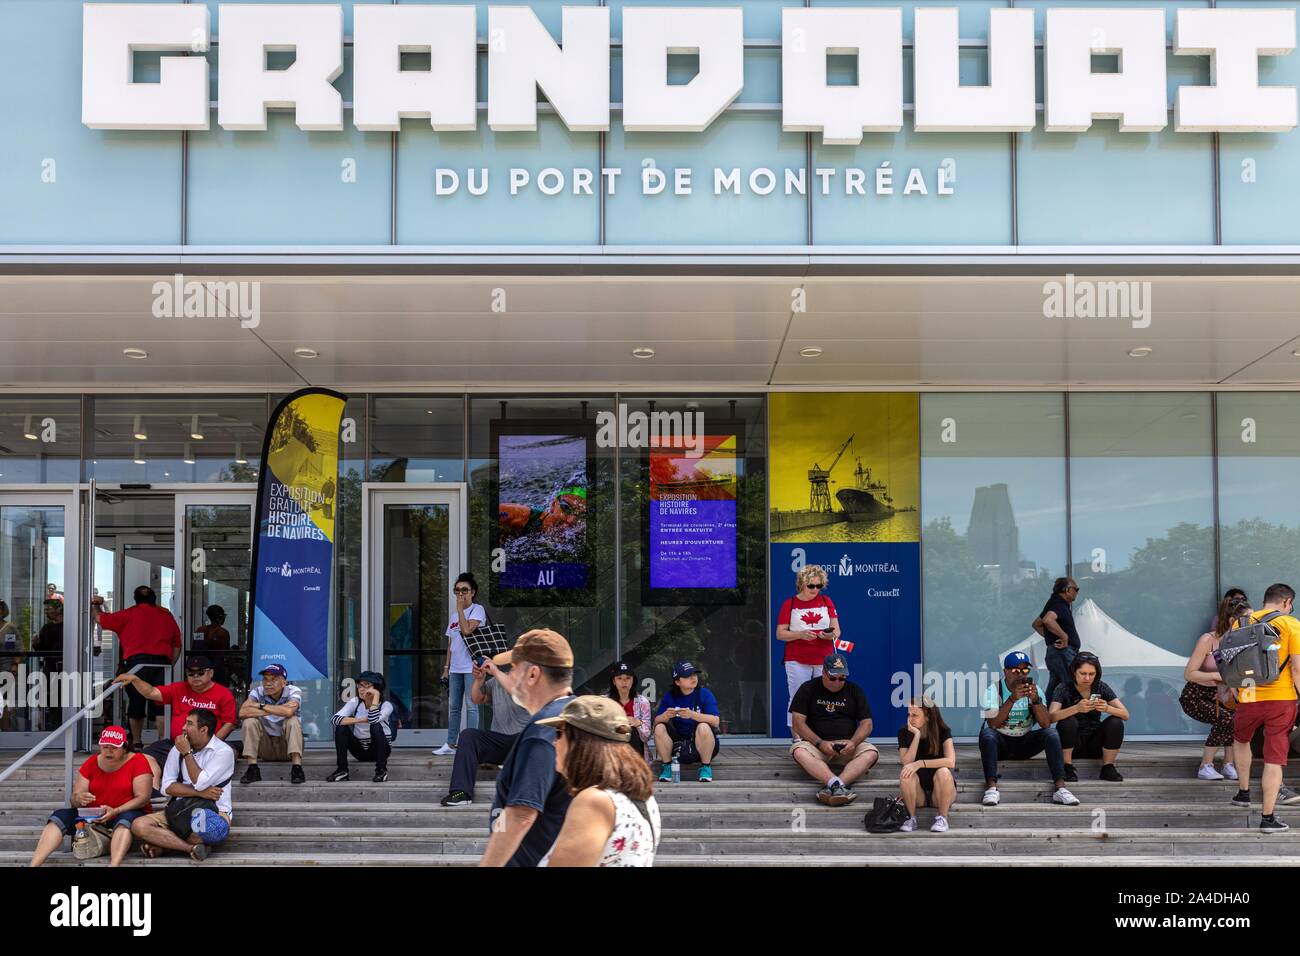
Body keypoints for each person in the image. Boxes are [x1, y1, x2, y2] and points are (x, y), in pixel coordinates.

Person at [479, 629, 576, 867]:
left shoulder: (544, 729)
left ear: (533, 674)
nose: (509, 675)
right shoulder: (576, 713)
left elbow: (522, 813)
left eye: (513, 668)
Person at [537, 695, 661, 867]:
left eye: (559, 733)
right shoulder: (643, 798)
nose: (554, 741)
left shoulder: (594, 801)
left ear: (580, 742)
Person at [1229, 583, 1300, 832]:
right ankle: (1268, 818)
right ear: (1287, 602)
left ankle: (1243, 793)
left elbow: (1232, 663)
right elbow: (1297, 668)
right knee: (1274, 758)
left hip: (1248, 695)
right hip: (1281, 698)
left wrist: (1239, 692)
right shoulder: (1292, 625)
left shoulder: (1242, 623)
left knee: (1241, 739)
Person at [30, 726, 152, 867]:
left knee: (126, 820)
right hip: (93, 815)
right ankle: (34, 865)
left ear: (124, 748)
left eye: (114, 747)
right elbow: (74, 798)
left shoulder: (138, 761)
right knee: (60, 816)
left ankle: (114, 865)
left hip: (124, 811)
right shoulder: (92, 762)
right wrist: (79, 798)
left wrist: (116, 810)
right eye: (105, 746)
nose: (109, 750)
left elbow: (143, 798)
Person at [113, 655, 237, 789]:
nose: (195, 676)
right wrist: (135, 680)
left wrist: (212, 744)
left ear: (211, 673)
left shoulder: (223, 693)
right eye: (191, 673)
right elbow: (152, 692)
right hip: (176, 743)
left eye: (200, 672)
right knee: (144, 757)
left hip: (206, 746)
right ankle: (154, 791)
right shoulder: (178, 688)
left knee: (229, 752)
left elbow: (229, 723)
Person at [132, 709, 234, 861]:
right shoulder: (177, 749)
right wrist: (199, 793)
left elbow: (200, 782)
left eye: (189, 724)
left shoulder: (223, 751)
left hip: (215, 811)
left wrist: (187, 753)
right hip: (180, 809)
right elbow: (166, 787)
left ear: (203, 729)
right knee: (139, 825)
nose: (183, 728)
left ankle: (164, 845)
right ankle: (189, 848)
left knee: (202, 832)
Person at [979, 651, 1078, 807]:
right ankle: (991, 787)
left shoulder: (1035, 691)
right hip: (1002, 744)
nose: (1021, 675)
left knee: (1051, 733)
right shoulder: (993, 690)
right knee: (987, 734)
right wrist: (1012, 699)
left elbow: (1046, 724)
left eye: (1025, 670)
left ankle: (1060, 788)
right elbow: (993, 723)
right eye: (1015, 670)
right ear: (1005, 671)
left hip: (1025, 741)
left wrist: (1036, 701)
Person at [93, 586, 182, 751]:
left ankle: (137, 742)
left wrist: (95, 604)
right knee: (161, 703)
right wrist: (170, 665)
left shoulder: (128, 614)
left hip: (136, 665)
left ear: (135, 599)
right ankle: (161, 742)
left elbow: (99, 618)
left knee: (136, 703)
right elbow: (177, 645)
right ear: (154, 599)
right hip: (161, 664)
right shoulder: (165, 615)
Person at [441, 655, 533, 806]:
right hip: (499, 742)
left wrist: (496, 671)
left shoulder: (529, 684)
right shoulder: (497, 681)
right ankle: (462, 793)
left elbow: (516, 691)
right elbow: (478, 699)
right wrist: (479, 680)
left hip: (522, 744)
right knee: (468, 735)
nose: (513, 665)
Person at [788, 653, 878, 806]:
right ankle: (837, 785)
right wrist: (820, 743)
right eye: (833, 678)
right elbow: (798, 723)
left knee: (871, 753)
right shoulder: (808, 688)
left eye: (842, 678)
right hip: (816, 744)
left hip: (847, 744)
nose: (837, 682)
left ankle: (835, 785)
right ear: (823, 672)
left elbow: (867, 723)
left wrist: (853, 743)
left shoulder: (855, 690)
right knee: (799, 751)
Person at [1182, 594, 1247, 780]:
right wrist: (1218, 676)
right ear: (1232, 620)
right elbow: (1189, 674)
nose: (1252, 624)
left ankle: (1228, 764)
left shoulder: (1242, 642)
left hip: (1226, 695)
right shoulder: (1208, 640)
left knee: (1236, 718)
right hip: (1197, 695)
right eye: (1248, 619)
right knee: (1226, 718)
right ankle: (1206, 765)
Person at [776, 565, 841, 728]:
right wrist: (800, 634)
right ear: (802, 584)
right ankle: (797, 739)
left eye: (819, 586)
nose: (815, 589)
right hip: (797, 657)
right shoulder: (790, 603)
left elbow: (837, 631)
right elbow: (780, 634)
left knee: (825, 695)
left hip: (824, 657)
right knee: (798, 696)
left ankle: (822, 733)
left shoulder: (827, 601)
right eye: (811, 585)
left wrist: (829, 635)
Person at [1049, 651, 1129, 781]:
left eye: (1091, 674)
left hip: (1095, 743)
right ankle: (1067, 766)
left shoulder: (1101, 687)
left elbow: (1125, 714)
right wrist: (1076, 708)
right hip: (1072, 743)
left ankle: (1108, 767)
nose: (1087, 678)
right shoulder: (1063, 687)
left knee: (1116, 721)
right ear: (1074, 671)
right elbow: (1051, 717)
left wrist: (1107, 708)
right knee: (1067, 721)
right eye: (1083, 673)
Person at [433, 572, 485, 756]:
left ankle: (472, 744)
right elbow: (451, 644)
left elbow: (467, 631)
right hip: (455, 668)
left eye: (464, 590)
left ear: (473, 592)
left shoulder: (477, 610)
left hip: (471, 667)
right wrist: (446, 669)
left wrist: (461, 609)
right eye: (457, 591)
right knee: (454, 707)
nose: (460, 594)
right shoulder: (454, 615)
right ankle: (450, 743)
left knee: (471, 706)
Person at [654, 661, 721, 783]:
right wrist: (666, 715)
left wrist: (693, 715)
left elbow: (716, 721)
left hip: (705, 743)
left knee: (703, 726)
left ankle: (705, 767)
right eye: (687, 675)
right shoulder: (670, 696)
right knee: (659, 728)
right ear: (677, 682)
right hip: (680, 744)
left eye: (694, 674)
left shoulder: (704, 693)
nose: (693, 678)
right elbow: (656, 721)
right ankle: (667, 766)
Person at [238, 664, 305, 784]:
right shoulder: (257, 691)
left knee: (292, 720)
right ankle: (252, 769)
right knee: (249, 721)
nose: (268, 683)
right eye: (265, 679)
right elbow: (242, 712)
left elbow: (289, 712)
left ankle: (297, 769)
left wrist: (261, 706)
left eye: (273, 679)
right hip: (266, 748)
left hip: (287, 748)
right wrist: (279, 710)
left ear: (284, 682)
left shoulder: (294, 690)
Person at [898, 697, 957, 833]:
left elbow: (950, 761)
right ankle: (911, 819)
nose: (910, 719)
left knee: (944, 771)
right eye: (909, 715)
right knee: (906, 773)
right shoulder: (904, 732)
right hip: (918, 794)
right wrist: (917, 736)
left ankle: (942, 818)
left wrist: (920, 763)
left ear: (927, 716)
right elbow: (906, 762)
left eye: (915, 715)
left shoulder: (943, 731)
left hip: (941, 792)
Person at [329, 670, 395, 783]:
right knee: (341, 728)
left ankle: (381, 771)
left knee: (375, 726)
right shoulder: (355, 702)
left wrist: (375, 698)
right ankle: (342, 770)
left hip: (380, 751)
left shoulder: (386, 705)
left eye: (367, 685)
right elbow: (334, 719)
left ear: (376, 688)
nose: (361, 689)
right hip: (360, 751)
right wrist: (359, 720)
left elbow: (373, 720)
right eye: (359, 685)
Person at [1032, 577, 1080, 706]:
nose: (1077, 592)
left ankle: (1040, 719)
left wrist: (1051, 638)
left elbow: (1037, 624)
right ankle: (1077, 722)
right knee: (1073, 686)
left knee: (1053, 692)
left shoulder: (1053, 603)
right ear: (1067, 590)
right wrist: (1063, 637)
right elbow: (1047, 620)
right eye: (1076, 589)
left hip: (1057, 653)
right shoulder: (1058, 604)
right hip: (1063, 653)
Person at [607, 661, 652, 762]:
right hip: (611, 749)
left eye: (628, 678)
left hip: (636, 749)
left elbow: (647, 736)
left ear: (633, 681)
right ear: (614, 681)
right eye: (619, 678)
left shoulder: (642, 702)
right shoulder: (605, 702)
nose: (624, 682)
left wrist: (638, 723)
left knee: (632, 730)